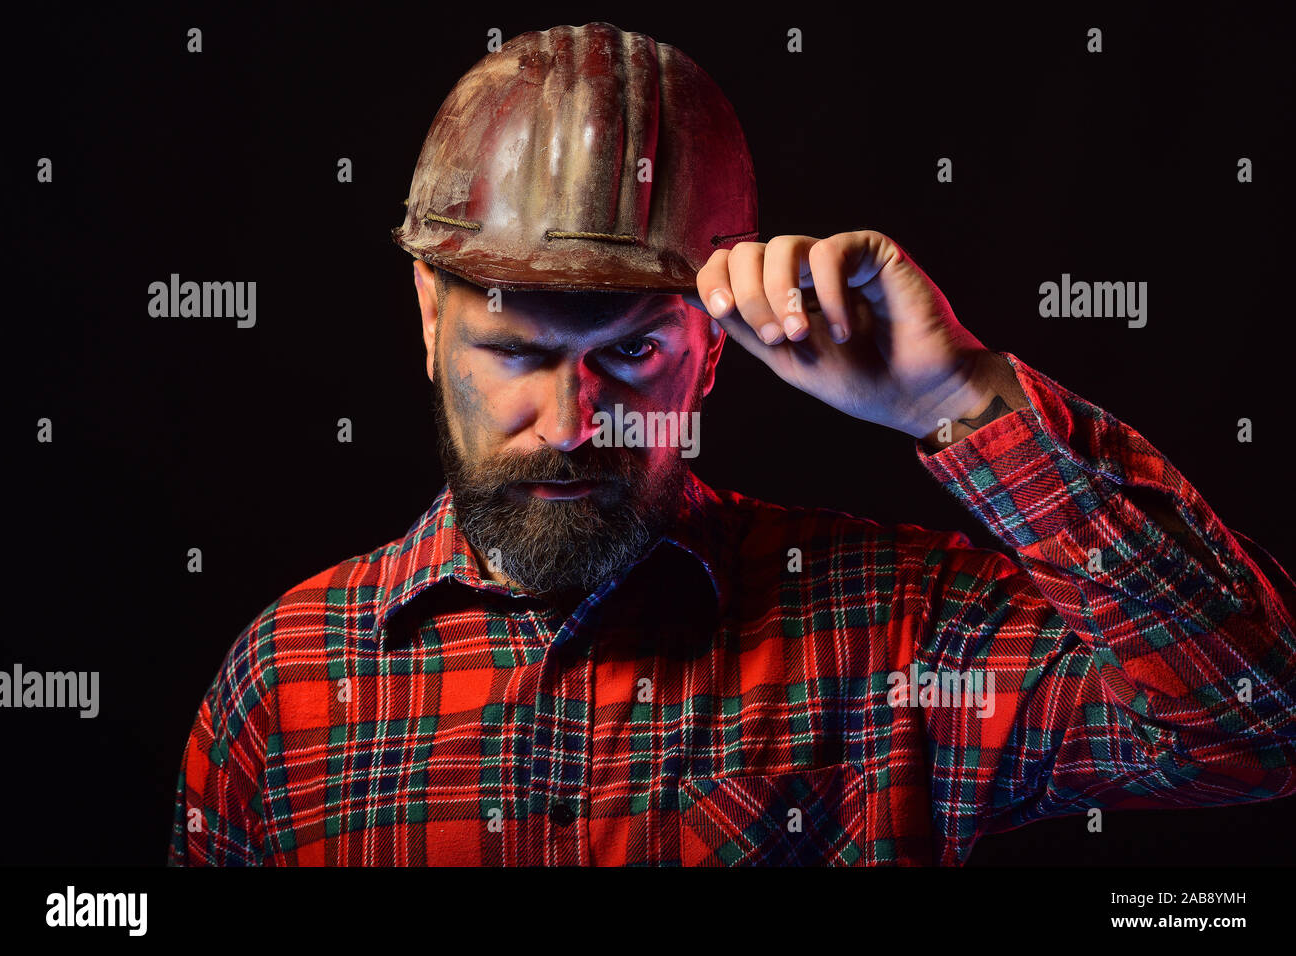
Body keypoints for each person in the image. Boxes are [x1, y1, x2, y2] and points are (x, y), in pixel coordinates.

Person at [168, 22, 1296, 866]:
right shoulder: (287, 680)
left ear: (713, 349)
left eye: (633, 356)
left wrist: (961, 396)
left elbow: (1256, 726)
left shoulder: (892, 633)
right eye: (517, 353)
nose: (572, 424)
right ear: (427, 315)